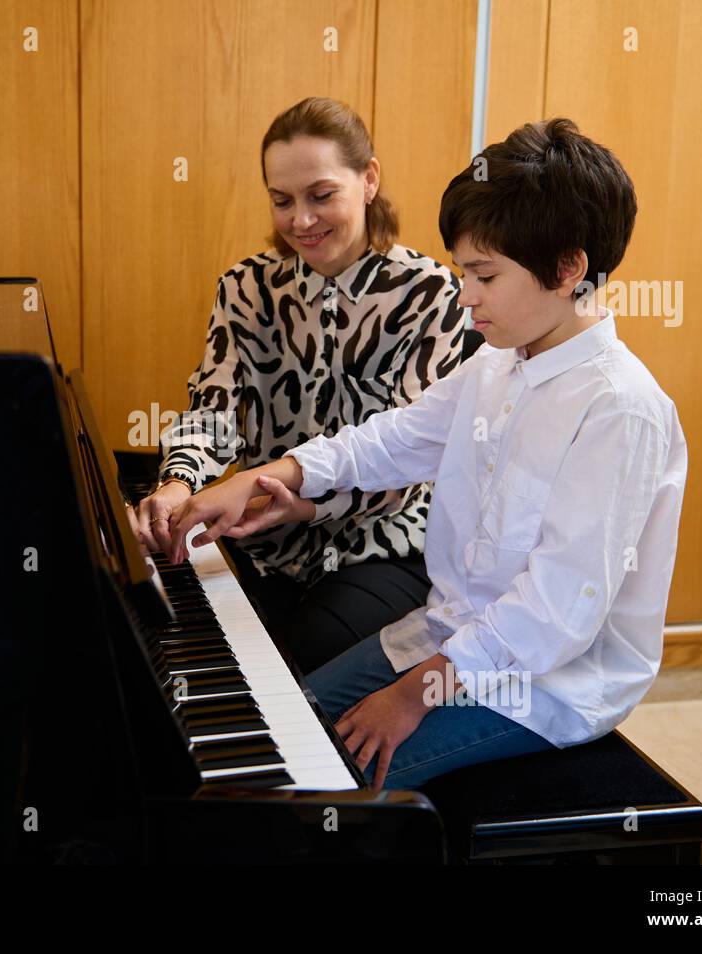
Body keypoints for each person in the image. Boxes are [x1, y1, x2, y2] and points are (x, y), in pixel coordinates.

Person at [166, 118, 688, 791]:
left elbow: (554, 616)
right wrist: (270, 476)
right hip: (447, 634)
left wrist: (413, 695)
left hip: (545, 686)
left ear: (567, 271)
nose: (465, 295)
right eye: (462, 272)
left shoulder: (618, 407)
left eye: (484, 275)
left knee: (308, 781)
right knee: (275, 719)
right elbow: (395, 438)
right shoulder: (501, 364)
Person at [133, 96, 470, 674]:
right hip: (262, 539)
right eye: (282, 200)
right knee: (174, 646)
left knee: (290, 672)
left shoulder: (430, 292)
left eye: (321, 195)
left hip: (380, 543)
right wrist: (177, 480)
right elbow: (212, 409)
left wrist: (304, 505)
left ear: (368, 180)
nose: (301, 221)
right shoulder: (245, 287)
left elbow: (409, 456)